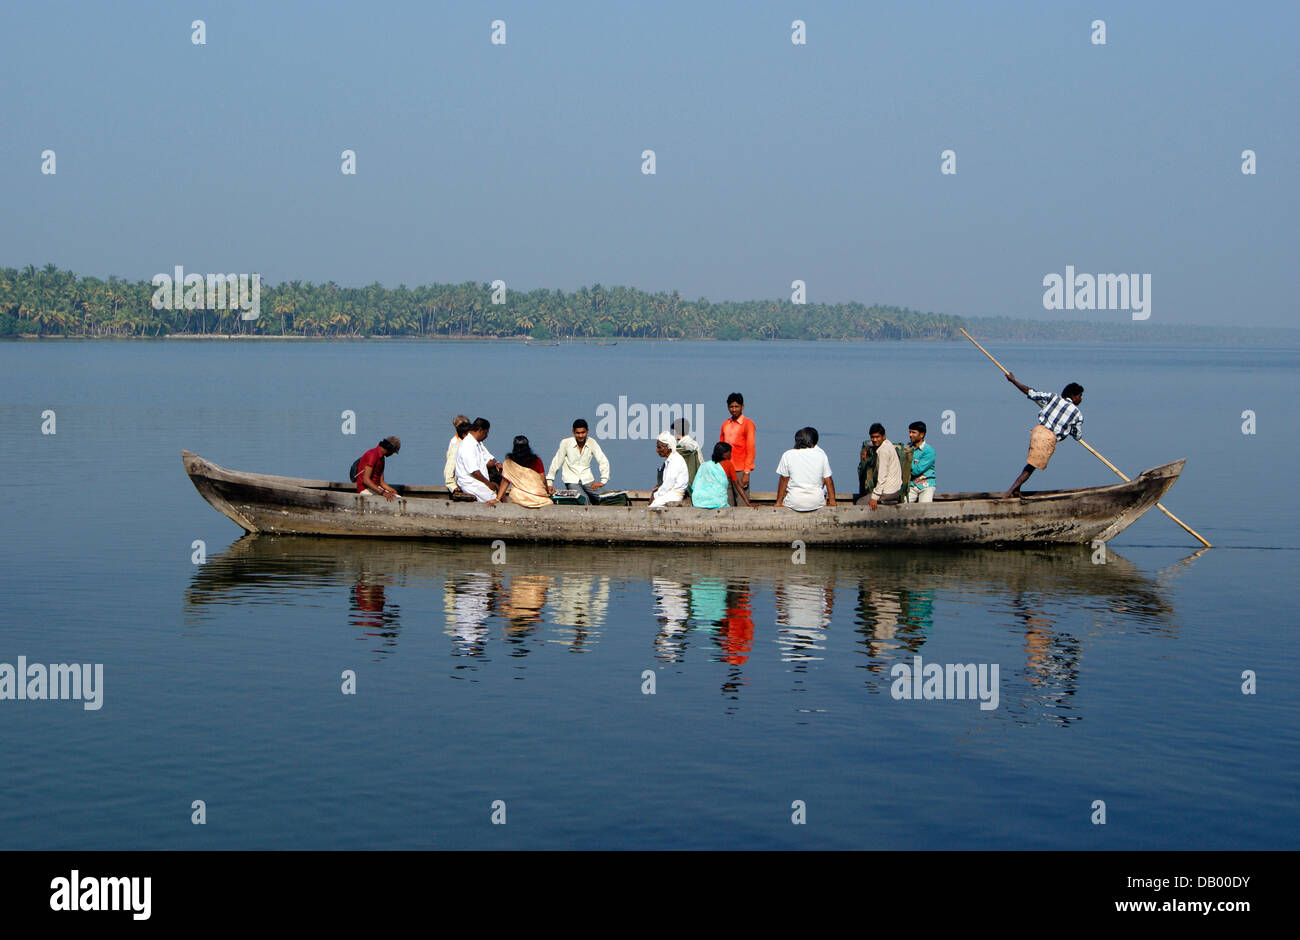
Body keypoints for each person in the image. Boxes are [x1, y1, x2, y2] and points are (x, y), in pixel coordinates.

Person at [1003, 373, 1084, 498]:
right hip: (1047, 439)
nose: (1081, 399)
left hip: (1038, 431)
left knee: (1032, 463)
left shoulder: (1053, 397)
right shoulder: (1077, 414)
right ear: (1073, 396)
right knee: (1032, 466)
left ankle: (1016, 489)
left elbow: (1030, 392)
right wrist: (1071, 429)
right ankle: (1009, 492)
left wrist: (1013, 381)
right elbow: (1077, 436)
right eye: (1080, 396)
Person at [546, 418, 611, 504]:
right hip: (571, 480)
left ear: (587, 431)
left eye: (583, 432)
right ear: (573, 432)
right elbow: (556, 462)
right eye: (578, 433)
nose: (580, 435)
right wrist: (549, 483)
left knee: (604, 496)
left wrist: (603, 481)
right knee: (584, 499)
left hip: (587, 479)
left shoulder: (592, 442)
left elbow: (603, 460)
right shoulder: (566, 443)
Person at [774, 427, 836, 511]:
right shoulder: (821, 455)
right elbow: (828, 480)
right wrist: (832, 502)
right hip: (817, 502)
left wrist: (778, 503)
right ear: (813, 442)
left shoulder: (788, 455)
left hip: (794, 502)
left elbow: (783, 480)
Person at [692, 441, 754, 509]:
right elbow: (737, 485)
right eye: (730, 452)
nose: (731, 454)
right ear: (724, 454)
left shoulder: (706, 465)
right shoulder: (728, 464)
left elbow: (699, 483)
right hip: (719, 502)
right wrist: (747, 502)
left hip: (700, 501)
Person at [497, 435, 554, 508]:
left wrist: (497, 499)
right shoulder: (536, 460)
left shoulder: (509, 462)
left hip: (519, 497)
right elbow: (542, 480)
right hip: (538, 496)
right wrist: (547, 491)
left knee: (514, 490)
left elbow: (505, 482)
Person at [454, 418, 499, 503]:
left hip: (478, 482)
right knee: (495, 501)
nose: (487, 436)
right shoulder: (468, 445)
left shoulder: (476, 443)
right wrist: (488, 484)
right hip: (471, 483)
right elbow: (475, 472)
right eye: (486, 433)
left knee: (497, 495)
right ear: (480, 430)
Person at [719, 392, 756, 492]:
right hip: (726, 470)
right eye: (731, 407)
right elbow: (720, 448)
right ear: (728, 407)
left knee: (741, 502)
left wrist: (747, 473)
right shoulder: (725, 424)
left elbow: (750, 450)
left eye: (736, 406)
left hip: (740, 470)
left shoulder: (748, 424)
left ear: (742, 407)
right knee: (726, 502)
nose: (734, 409)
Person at [863, 423, 902, 510]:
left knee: (860, 503)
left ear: (883, 436)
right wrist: (867, 447)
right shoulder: (887, 443)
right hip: (896, 489)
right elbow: (873, 444)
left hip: (889, 491)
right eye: (872, 437)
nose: (875, 439)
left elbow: (882, 476)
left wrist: (875, 497)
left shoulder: (883, 451)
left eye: (877, 437)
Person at [649, 431, 689, 508]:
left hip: (675, 495)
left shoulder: (675, 460)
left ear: (668, 447)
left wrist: (655, 495)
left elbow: (669, 483)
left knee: (653, 505)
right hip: (670, 493)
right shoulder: (670, 460)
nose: (657, 450)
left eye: (659, 447)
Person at [355, 436, 401, 501]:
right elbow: (366, 480)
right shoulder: (373, 455)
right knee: (395, 499)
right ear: (390, 448)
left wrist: (392, 490)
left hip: (375, 489)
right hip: (365, 489)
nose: (392, 454)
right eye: (393, 452)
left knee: (397, 496)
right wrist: (383, 493)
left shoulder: (382, 458)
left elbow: (381, 482)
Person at [906, 420, 936, 503]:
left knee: (924, 508)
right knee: (903, 505)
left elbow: (916, 470)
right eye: (910, 432)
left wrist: (905, 461)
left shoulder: (929, 451)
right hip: (911, 485)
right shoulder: (908, 448)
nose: (910, 435)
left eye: (913, 432)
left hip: (926, 485)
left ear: (922, 434)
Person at [444, 415, 470, 493]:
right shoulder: (454, 442)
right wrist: (453, 486)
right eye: (458, 426)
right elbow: (450, 463)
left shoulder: (474, 442)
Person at [672, 418, 702, 487]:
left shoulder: (689, 443)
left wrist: (680, 448)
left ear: (677, 431)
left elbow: (691, 447)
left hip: (694, 477)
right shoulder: (688, 442)